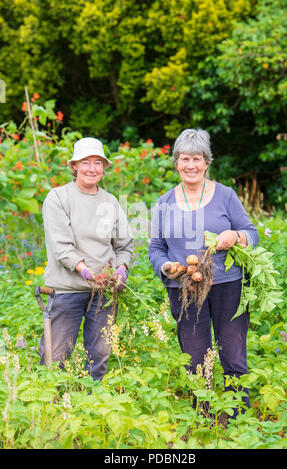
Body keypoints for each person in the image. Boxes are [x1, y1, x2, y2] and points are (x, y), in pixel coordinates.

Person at [148, 128, 259, 416]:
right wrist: (167, 267)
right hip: (185, 288)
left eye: (197, 159)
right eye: (185, 159)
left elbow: (252, 233)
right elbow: (155, 249)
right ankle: (204, 420)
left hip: (228, 287)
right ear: (176, 163)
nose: (191, 166)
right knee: (195, 357)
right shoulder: (164, 203)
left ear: (207, 162)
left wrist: (235, 236)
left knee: (233, 354)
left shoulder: (226, 195)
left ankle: (238, 420)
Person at [39, 137, 134, 380]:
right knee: (56, 356)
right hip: (67, 290)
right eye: (85, 162)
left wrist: (122, 269)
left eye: (98, 163)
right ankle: (50, 408)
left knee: (99, 356)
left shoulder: (110, 202)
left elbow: (124, 245)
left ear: (104, 167)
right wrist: (86, 272)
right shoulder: (58, 198)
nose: (92, 169)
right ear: (74, 166)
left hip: (102, 291)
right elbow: (62, 247)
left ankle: (91, 405)